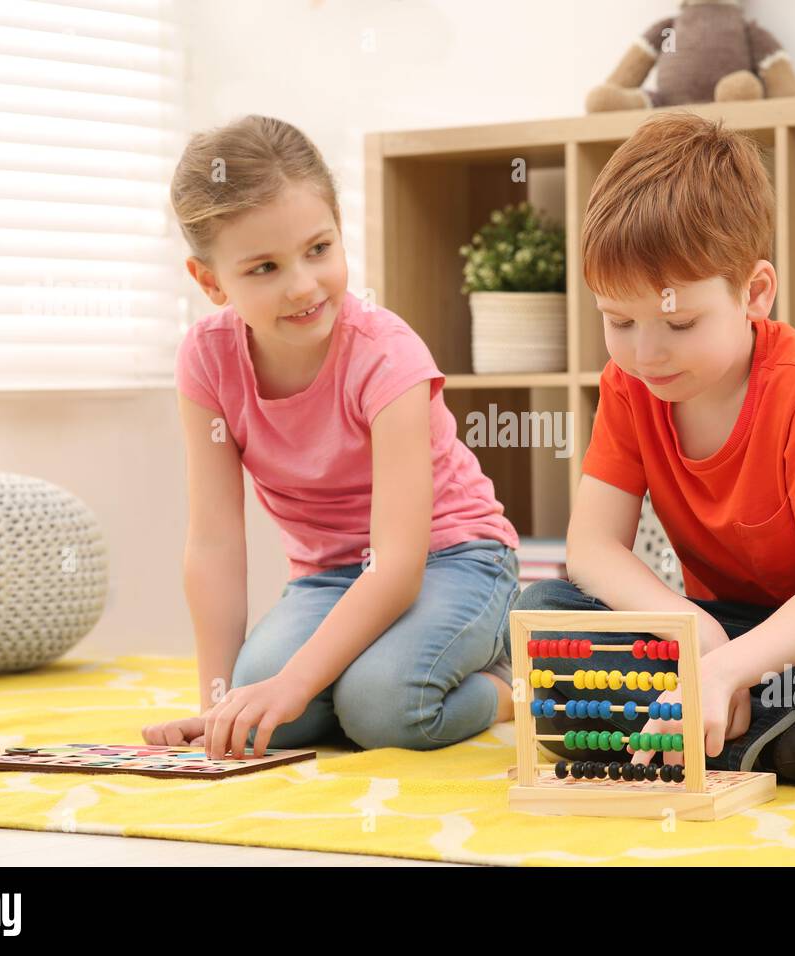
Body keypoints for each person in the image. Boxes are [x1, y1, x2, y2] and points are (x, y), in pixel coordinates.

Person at [510, 112, 795, 791]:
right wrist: (693, 633)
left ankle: (698, 740)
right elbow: (591, 548)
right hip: (726, 628)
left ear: (754, 294)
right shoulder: (630, 384)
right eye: (619, 321)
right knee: (541, 614)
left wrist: (727, 672)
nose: (646, 352)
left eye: (678, 322)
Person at [143, 115, 519, 760]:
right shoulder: (206, 360)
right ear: (210, 282)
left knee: (385, 709)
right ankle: (336, 681)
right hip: (328, 577)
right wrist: (220, 706)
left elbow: (398, 567)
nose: (302, 285)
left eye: (319, 249)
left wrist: (295, 681)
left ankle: (511, 687)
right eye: (263, 267)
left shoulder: (386, 355)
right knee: (262, 717)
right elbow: (213, 544)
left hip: (452, 559)